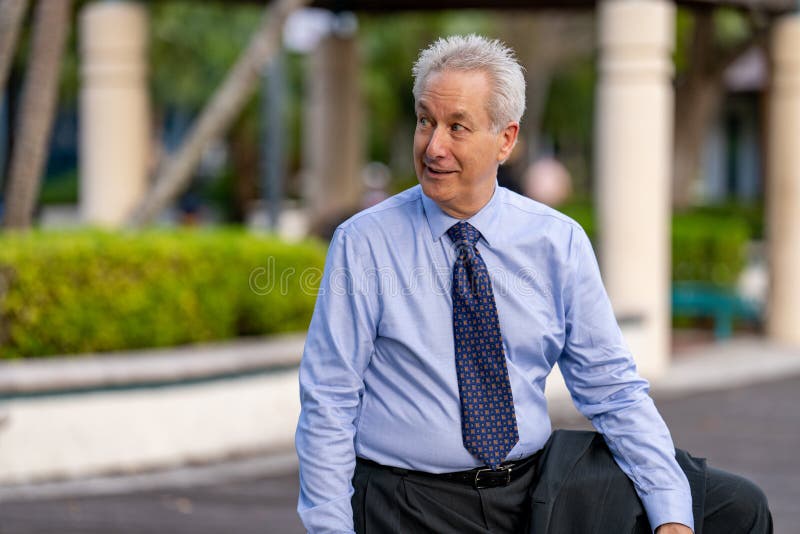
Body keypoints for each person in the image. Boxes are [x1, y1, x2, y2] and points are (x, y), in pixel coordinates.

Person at [295, 34, 772, 534]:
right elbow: (329, 399)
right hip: (408, 500)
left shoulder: (556, 241)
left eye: (457, 126)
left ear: (506, 138)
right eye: (425, 121)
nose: (433, 146)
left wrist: (670, 513)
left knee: (733, 508)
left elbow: (612, 389)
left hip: (535, 489)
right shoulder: (365, 243)